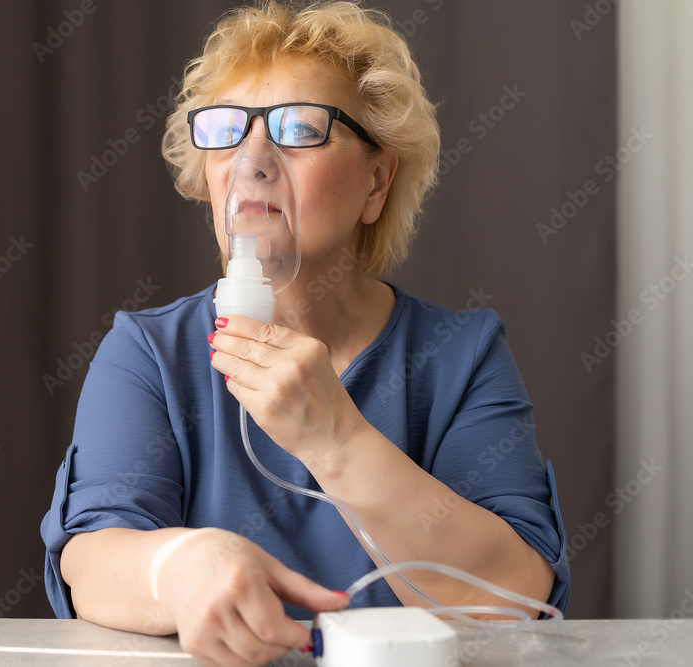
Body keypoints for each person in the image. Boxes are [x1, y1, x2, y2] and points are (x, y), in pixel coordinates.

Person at [41, 2, 570, 665]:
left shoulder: (459, 358)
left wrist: (338, 439)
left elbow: (515, 593)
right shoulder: (150, 354)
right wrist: (179, 565)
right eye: (228, 130)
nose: (251, 160)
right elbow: (89, 563)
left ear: (376, 181)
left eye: (297, 128)